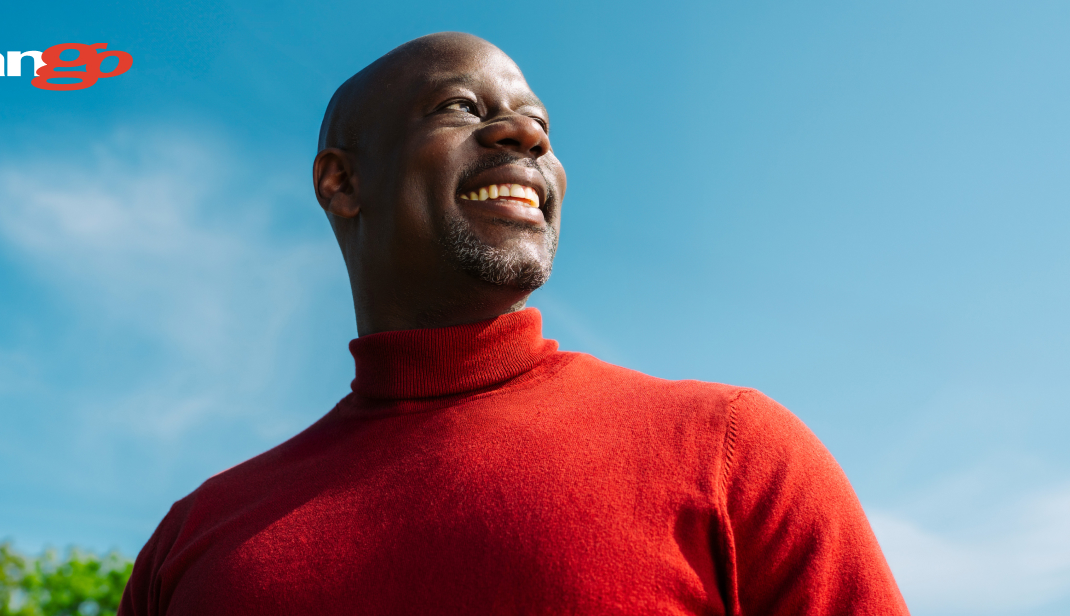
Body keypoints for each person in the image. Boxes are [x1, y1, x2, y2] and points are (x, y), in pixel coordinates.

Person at [119, 32, 909, 615]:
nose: (527, 136)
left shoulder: (733, 453)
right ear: (342, 181)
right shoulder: (197, 538)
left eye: (539, 125)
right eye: (460, 107)